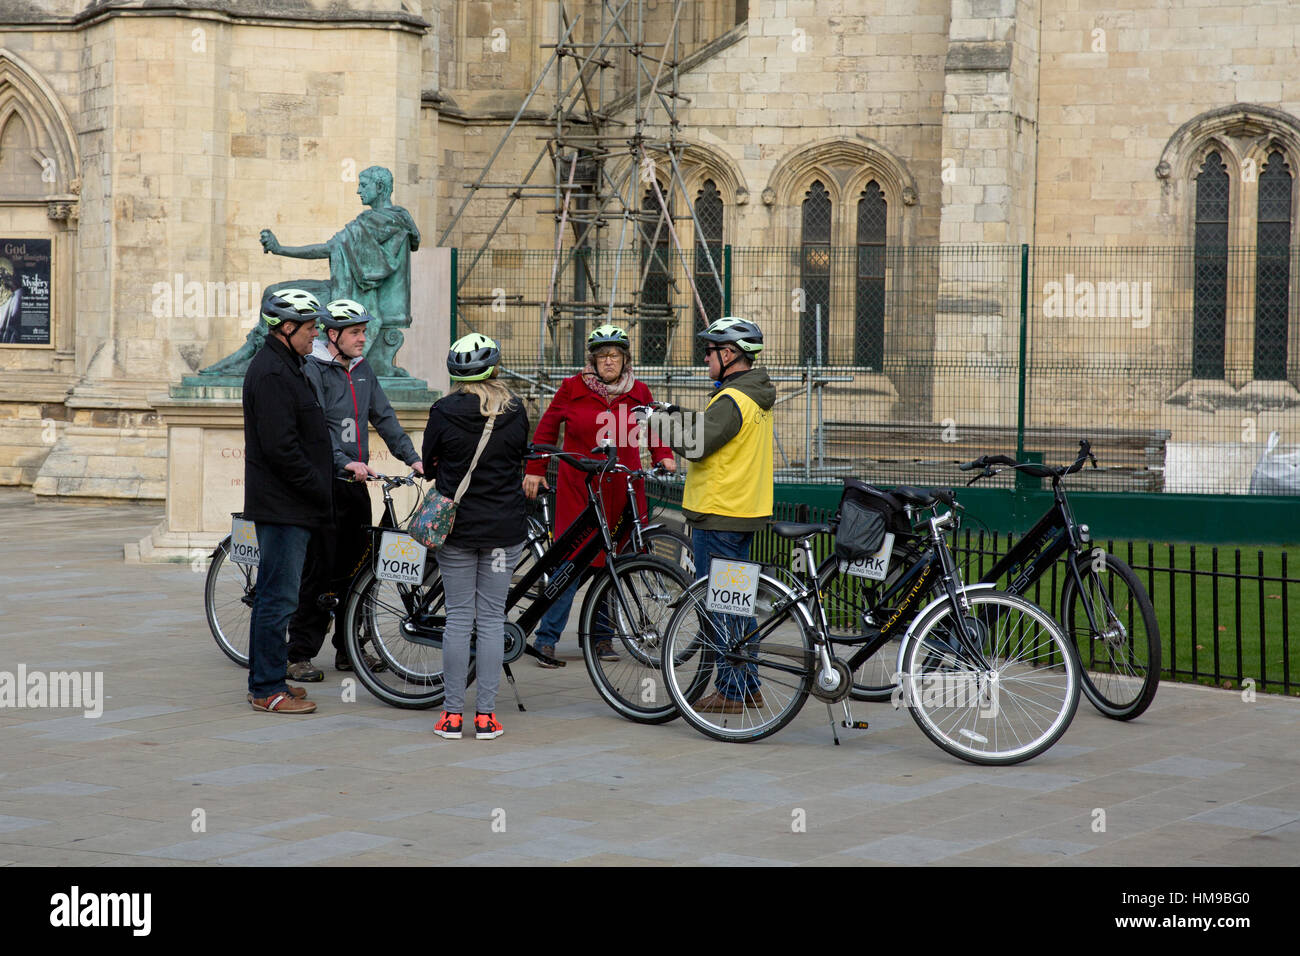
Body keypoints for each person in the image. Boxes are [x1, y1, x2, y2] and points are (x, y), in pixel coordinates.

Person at [284, 299, 424, 681]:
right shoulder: (312, 371)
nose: (364, 338)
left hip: (356, 487)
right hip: (325, 484)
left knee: (359, 569)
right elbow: (311, 432)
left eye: (364, 331)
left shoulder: (363, 371)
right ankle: (298, 654)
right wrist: (343, 461)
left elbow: (385, 416)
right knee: (320, 571)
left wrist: (414, 459)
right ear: (333, 335)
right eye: (355, 332)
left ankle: (349, 649)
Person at [522, 324, 676, 667]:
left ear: (625, 359)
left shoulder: (639, 391)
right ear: (593, 360)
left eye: (616, 355)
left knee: (615, 563)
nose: (609, 361)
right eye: (603, 355)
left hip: (623, 489)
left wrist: (663, 454)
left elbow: (653, 427)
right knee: (572, 564)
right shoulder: (572, 388)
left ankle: (603, 638)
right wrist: (534, 468)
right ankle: (547, 638)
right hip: (581, 490)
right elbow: (547, 428)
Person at [648, 317, 774, 714]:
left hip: (719, 514)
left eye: (709, 351)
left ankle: (733, 689)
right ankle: (746, 684)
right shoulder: (749, 393)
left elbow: (698, 442)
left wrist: (653, 422)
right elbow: (711, 430)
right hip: (743, 511)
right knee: (737, 602)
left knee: (719, 605)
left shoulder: (733, 399)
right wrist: (673, 411)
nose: (705, 358)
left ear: (729, 354)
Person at [421, 333, 530, 739]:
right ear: (495, 369)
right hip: (504, 531)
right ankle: (486, 717)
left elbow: (431, 464)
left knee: (458, 619)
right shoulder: (516, 411)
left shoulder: (442, 411)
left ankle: (451, 717)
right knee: (490, 620)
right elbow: (522, 456)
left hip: (458, 530)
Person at [240, 289, 336, 714]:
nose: (316, 334)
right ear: (286, 328)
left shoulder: (288, 366)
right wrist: (317, 485)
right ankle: (266, 690)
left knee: (280, 596)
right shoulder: (273, 374)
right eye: (311, 327)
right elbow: (281, 449)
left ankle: (269, 678)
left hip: (292, 503)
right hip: (283, 505)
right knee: (276, 598)